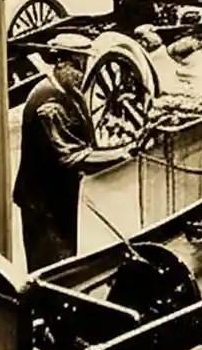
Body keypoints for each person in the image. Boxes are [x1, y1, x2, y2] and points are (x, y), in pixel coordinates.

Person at [14, 33, 128, 271]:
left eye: (85, 66)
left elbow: (85, 134)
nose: (83, 73)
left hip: (60, 194)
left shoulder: (70, 92)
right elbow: (73, 156)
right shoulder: (49, 104)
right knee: (53, 266)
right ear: (61, 63)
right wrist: (122, 155)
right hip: (43, 203)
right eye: (78, 66)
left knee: (67, 256)